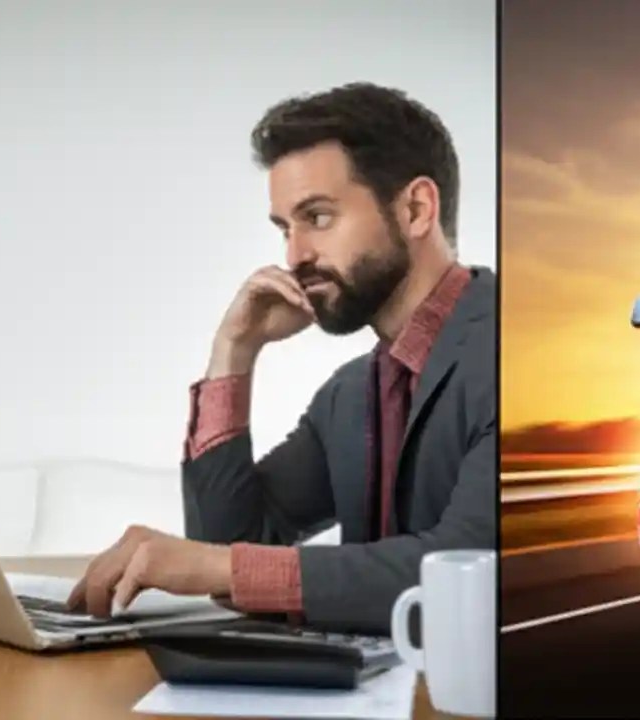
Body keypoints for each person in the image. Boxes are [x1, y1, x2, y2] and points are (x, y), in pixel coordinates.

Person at [65, 82, 497, 634]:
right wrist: (234, 353)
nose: (295, 257)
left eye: (317, 218)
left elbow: (471, 569)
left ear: (415, 209)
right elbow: (228, 548)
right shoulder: (351, 394)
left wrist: (219, 566)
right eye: (284, 229)